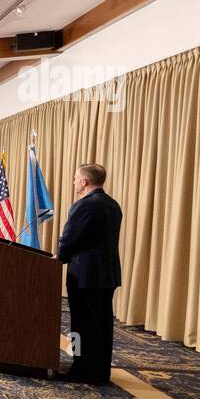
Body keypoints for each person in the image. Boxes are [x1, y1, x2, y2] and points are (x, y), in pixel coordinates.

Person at [57, 163, 123, 385]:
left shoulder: (84, 205)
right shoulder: (113, 205)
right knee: (102, 323)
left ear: (84, 182)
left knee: (82, 324)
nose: (74, 181)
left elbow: (71, 238)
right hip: (107, 274)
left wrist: (60, 257)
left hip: (85, 275)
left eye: (76, 178)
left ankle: (81, 368)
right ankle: (101, 370)